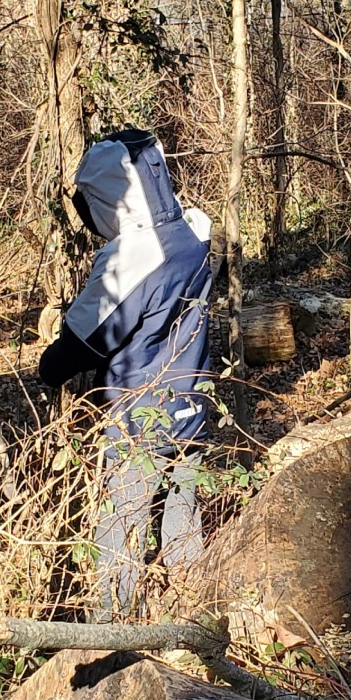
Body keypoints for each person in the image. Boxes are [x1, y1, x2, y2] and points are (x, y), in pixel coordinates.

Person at [36, 132, 216, 620]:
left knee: (120, 524)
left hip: (142, 415)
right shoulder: (193, 232)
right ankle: (195, 611)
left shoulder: (135, 257)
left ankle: (113, 624)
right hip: (192, 405)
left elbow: (82, 343)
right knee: (182, 514)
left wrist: (46, 368)